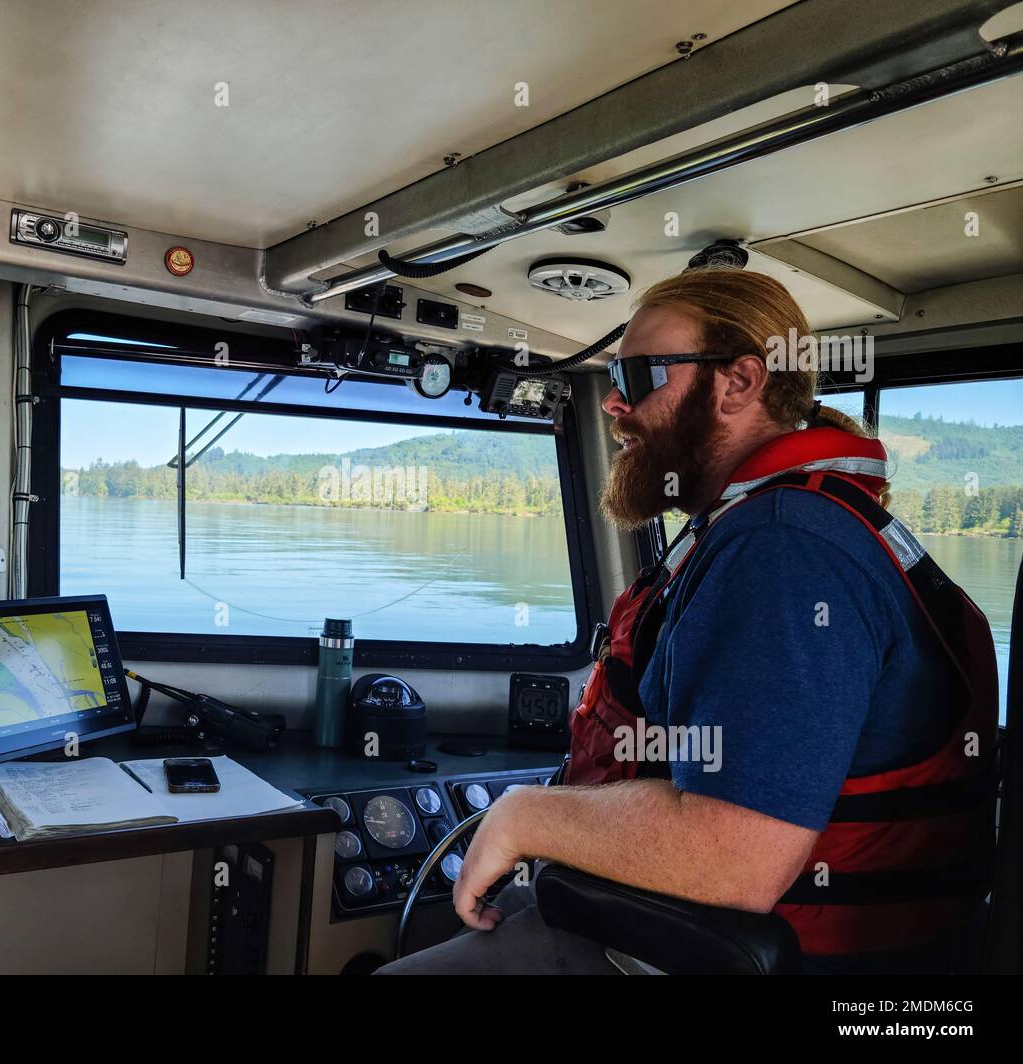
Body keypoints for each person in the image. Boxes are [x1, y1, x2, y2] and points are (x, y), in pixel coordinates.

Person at [378, 268, 997, 975]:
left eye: (638, 375)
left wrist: (524, 815)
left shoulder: (784, 547)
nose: (612, 402)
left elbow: (735, 858)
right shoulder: (775, 525)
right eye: (613, 374)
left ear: (738, 382)